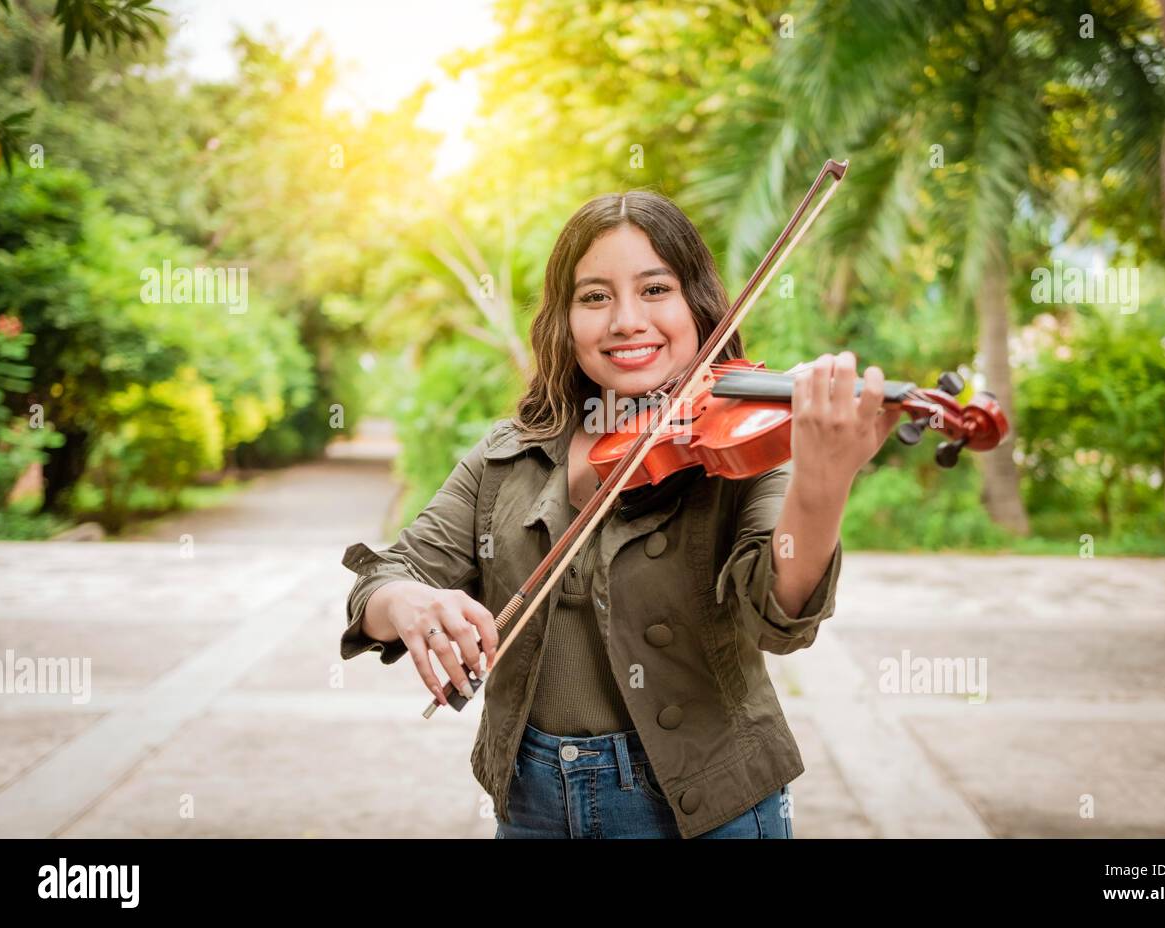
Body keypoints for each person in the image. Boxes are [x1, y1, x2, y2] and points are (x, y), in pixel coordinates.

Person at [340, 189, 903, 838]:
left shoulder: (740, 446)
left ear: (699, 307)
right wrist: (407, 602)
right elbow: (381, 578)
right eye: (595, 296)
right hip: (532, 810)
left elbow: (781, 618)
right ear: (565, 320)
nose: (626, 320)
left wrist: (823, 483)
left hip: (707, 810)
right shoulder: (506, 458)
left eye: (656, 289)